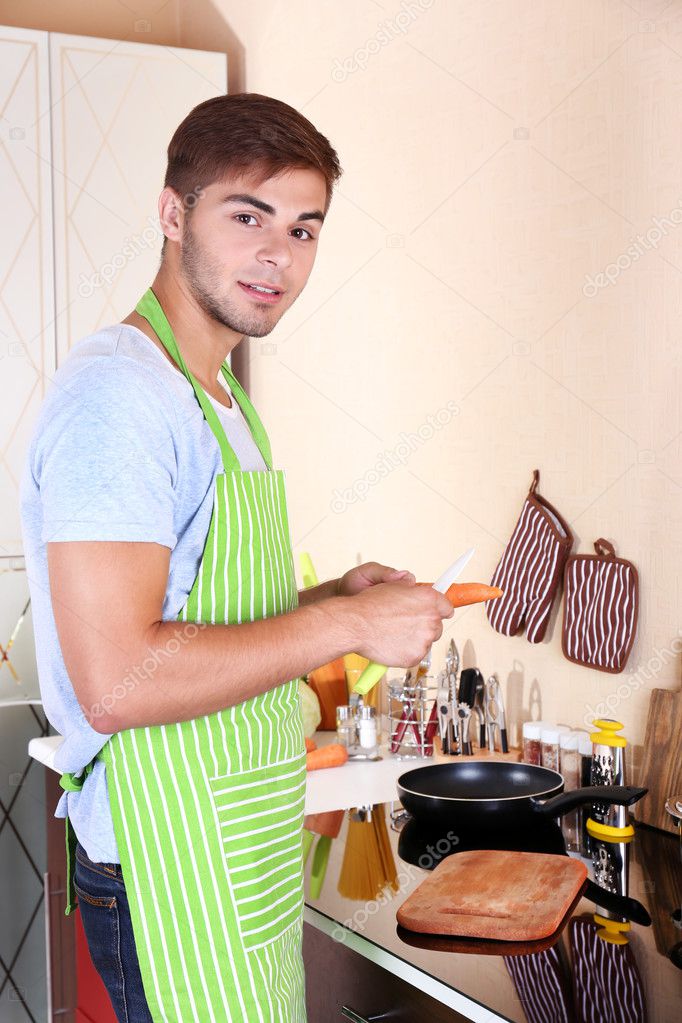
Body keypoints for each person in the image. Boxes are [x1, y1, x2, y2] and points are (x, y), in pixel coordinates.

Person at [20, 92, 454, 1022]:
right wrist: (341, 623)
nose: (277, 256)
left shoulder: (217, 394)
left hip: (234, 852)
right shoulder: (122, 398)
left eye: (304, 228)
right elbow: (118, 679)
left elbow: (191, 604)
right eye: (246, 216)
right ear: (173, 215)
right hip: (163, 860)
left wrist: (332, 593)